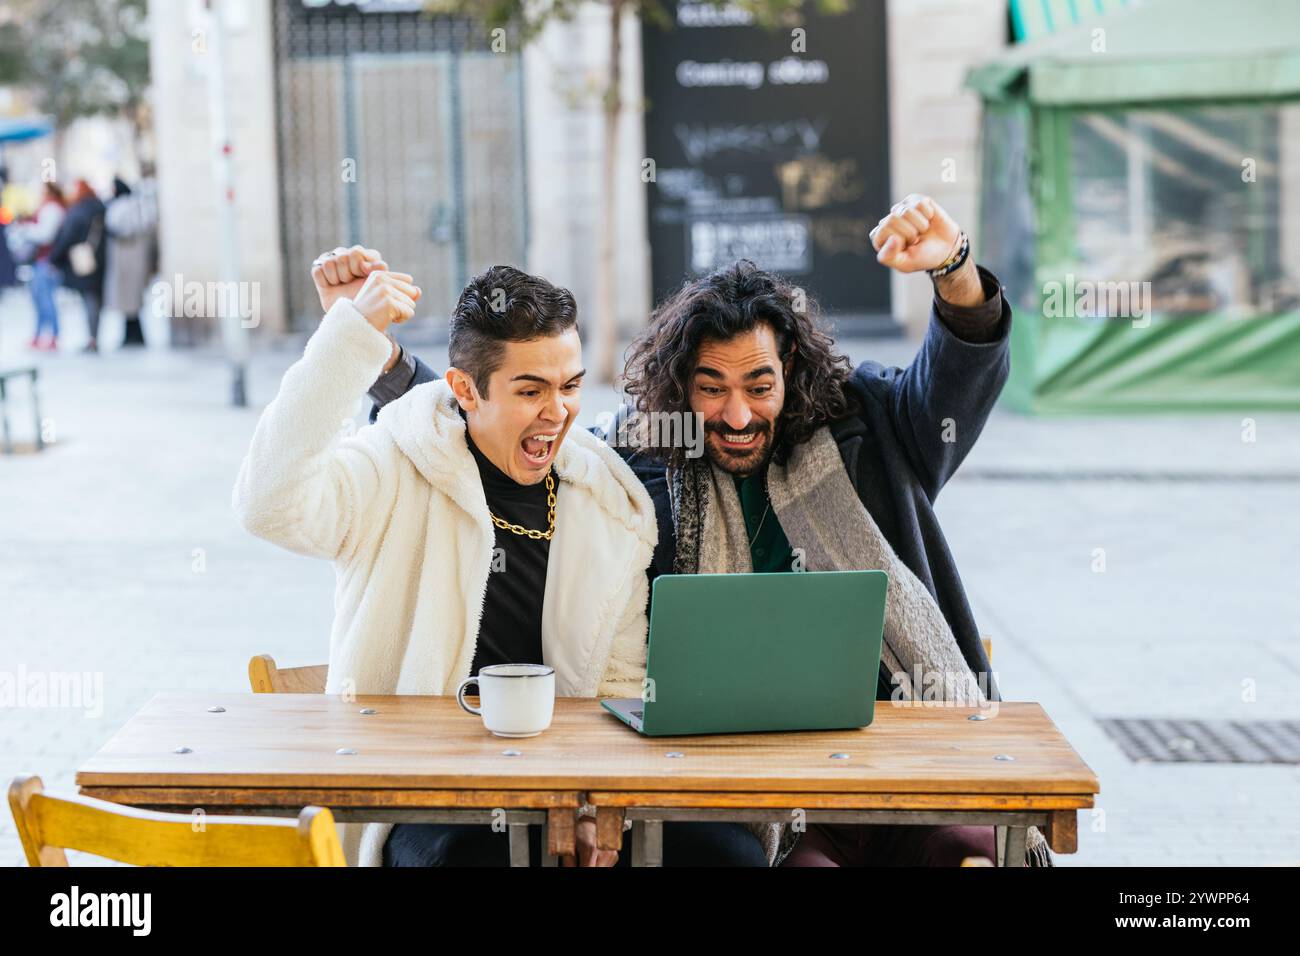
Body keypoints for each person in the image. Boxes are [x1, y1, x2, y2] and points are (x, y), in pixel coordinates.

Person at [368, 194, 1054, 867]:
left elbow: (961, 370)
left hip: (914, 772)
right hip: (767, 803)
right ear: (677, 386)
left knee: (972, 856)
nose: (735, 414)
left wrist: (953, 266)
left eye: (759, 385)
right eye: (710, 388)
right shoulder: (637, 465)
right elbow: (493, 423)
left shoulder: (872, 431)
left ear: (792, 371)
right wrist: (383, 359)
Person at [233, 252, 767, 868]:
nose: (559, 411)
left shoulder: (609, 500)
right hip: (425, 794)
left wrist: (599, 809)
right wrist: (349, 334)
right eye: (531, 390)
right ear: (464, 390)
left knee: (730, 856)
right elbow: (268, 504)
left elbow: (619, 683)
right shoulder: (389, 466)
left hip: (574, 787)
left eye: (569, 386)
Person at [48, 179, 107, 353]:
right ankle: (94, 337)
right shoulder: (100, 208)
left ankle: (92, 339)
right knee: (95, 298)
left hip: (83, 258)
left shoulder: (79, 210)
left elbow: (67, 236)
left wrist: (55, 258)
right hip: (100, 258)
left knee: (89, 299)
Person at [104, 171, 159, 347]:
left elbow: (116, 226)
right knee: (131, 299)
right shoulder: (139, 205)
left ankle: (133, 335)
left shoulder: (122, 206)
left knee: (129, 299)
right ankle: (132, 334)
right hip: (135, 257)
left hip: (126, 257)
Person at [21, 182, 65, 350]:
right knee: (39, 299)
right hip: (42, 260)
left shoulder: (52, 209)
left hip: (47, 260)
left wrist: (27, 230)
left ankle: (52, 335)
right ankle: (39, 334)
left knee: (46, 299)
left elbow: (46, 235)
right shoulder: (50, 208)